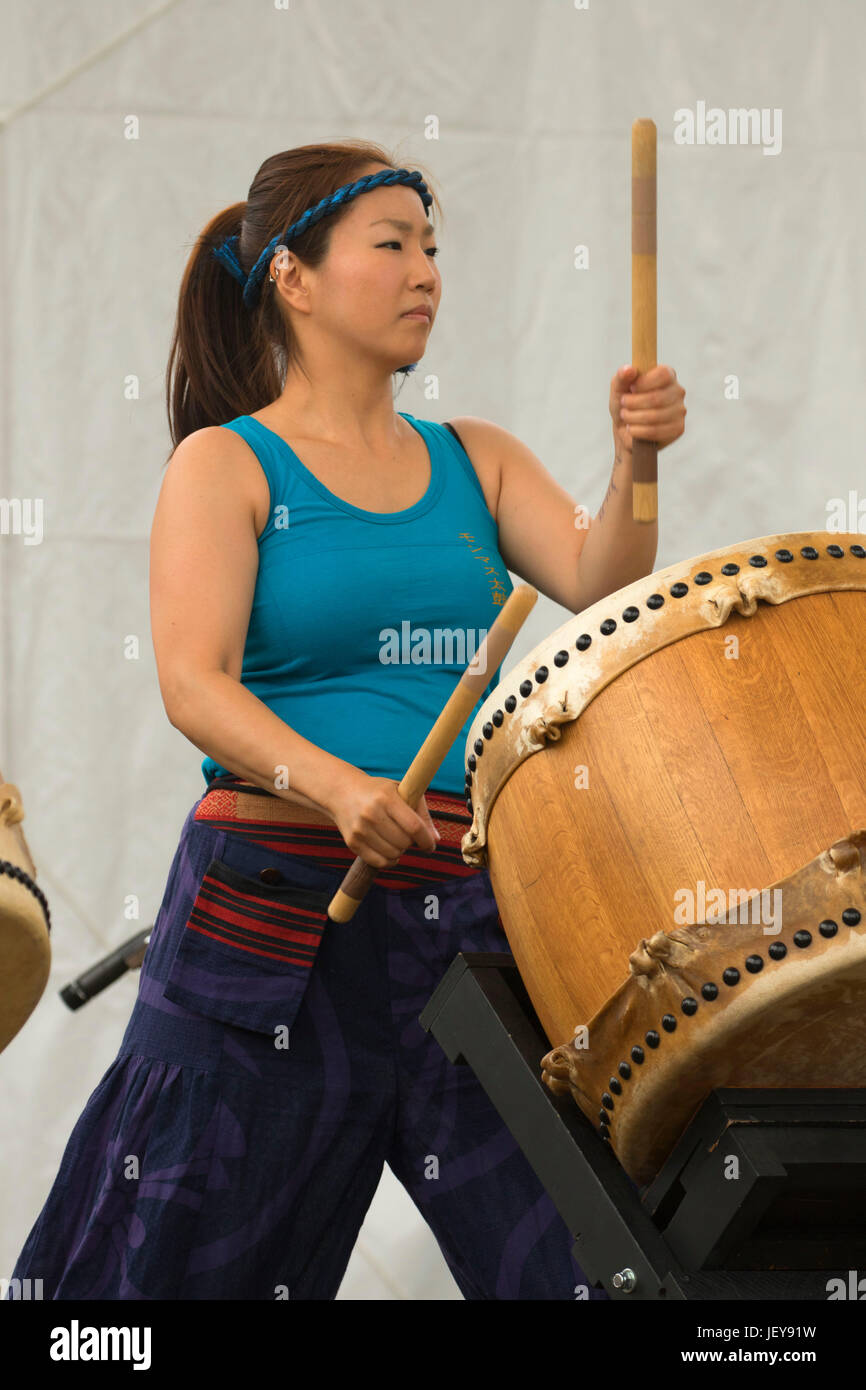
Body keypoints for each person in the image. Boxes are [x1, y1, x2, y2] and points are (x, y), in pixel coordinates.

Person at [8, 139, 686, 1301]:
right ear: (292, 277)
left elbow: (598, 576)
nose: (425, 269)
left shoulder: (475, 457)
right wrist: (334, 786)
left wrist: (635, 459)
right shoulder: (227, 465)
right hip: (268, 904)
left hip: (461, 900)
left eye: (432, 247)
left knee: (581, 1255)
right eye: (391, 244)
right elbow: (195, 686)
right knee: (172, 1268)